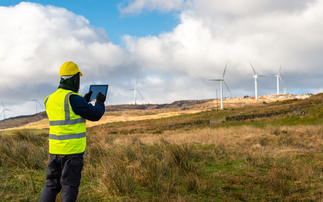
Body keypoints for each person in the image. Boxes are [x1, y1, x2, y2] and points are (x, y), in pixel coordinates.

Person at [39, 61, 106, 202]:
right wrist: (100, 102)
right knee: (69, 186)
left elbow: (67, 112)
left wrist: (83, 100)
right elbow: (95, 114)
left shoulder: (49, 99)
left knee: (51, 184)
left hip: (55, 151)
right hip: (72, 153)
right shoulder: (73, 98)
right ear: (75, 78)